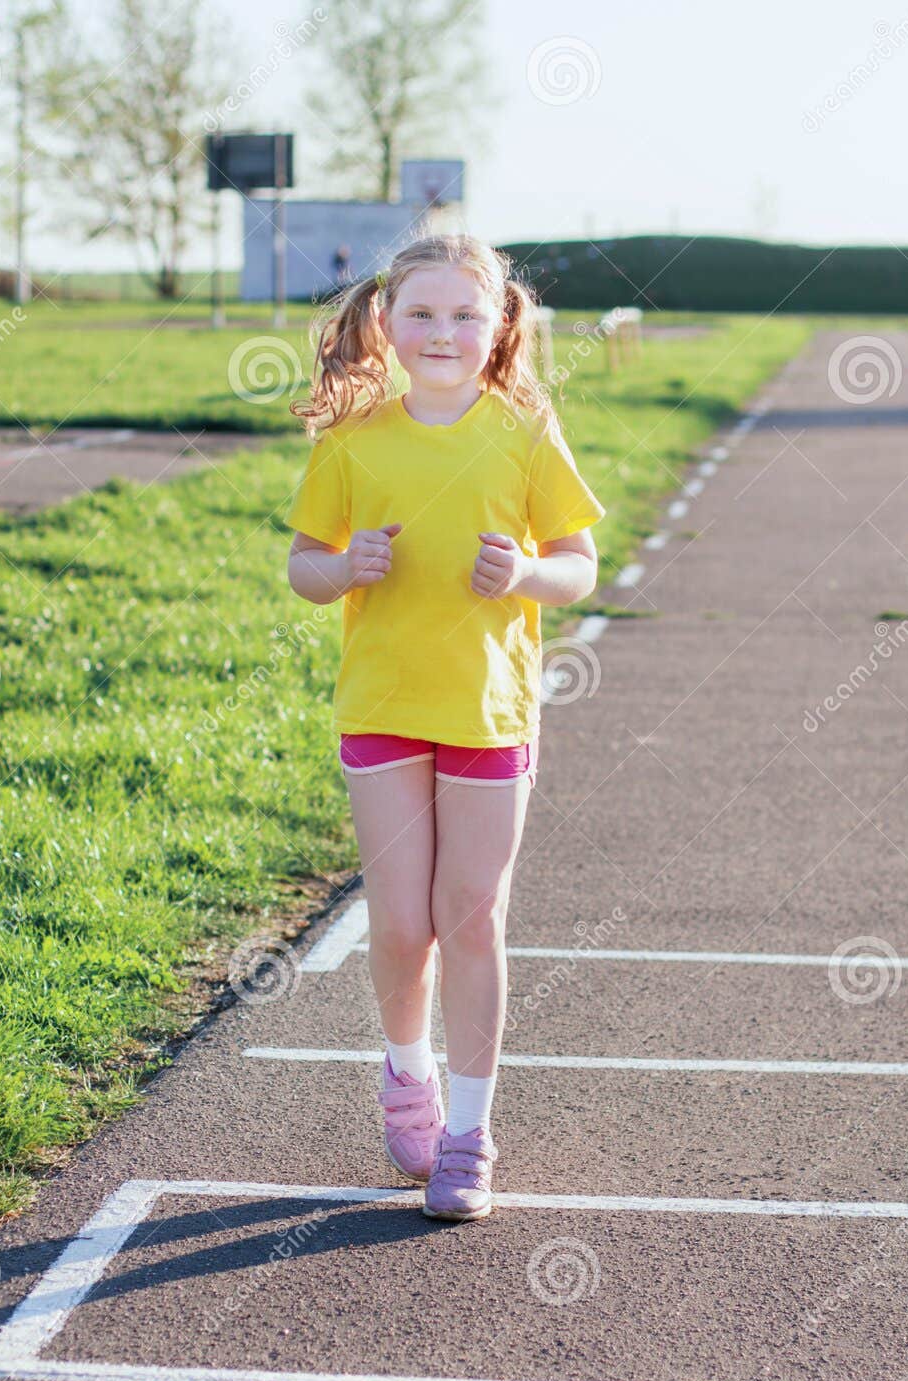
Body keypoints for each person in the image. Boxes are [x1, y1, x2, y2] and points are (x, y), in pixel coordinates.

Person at [285, 234, 605, 1221]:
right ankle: (405, 1075)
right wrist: (348, 567)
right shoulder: (353, 439)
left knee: (472, 916)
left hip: (488, 712)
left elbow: (579, 565)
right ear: (385, 321)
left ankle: (470, 1131)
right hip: (382, 709)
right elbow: (304, 565)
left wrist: (526, 575)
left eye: (465, 314)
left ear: (502, 322)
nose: (442, 332)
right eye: (421, 313)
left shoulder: (523, 429)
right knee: (401, 923)